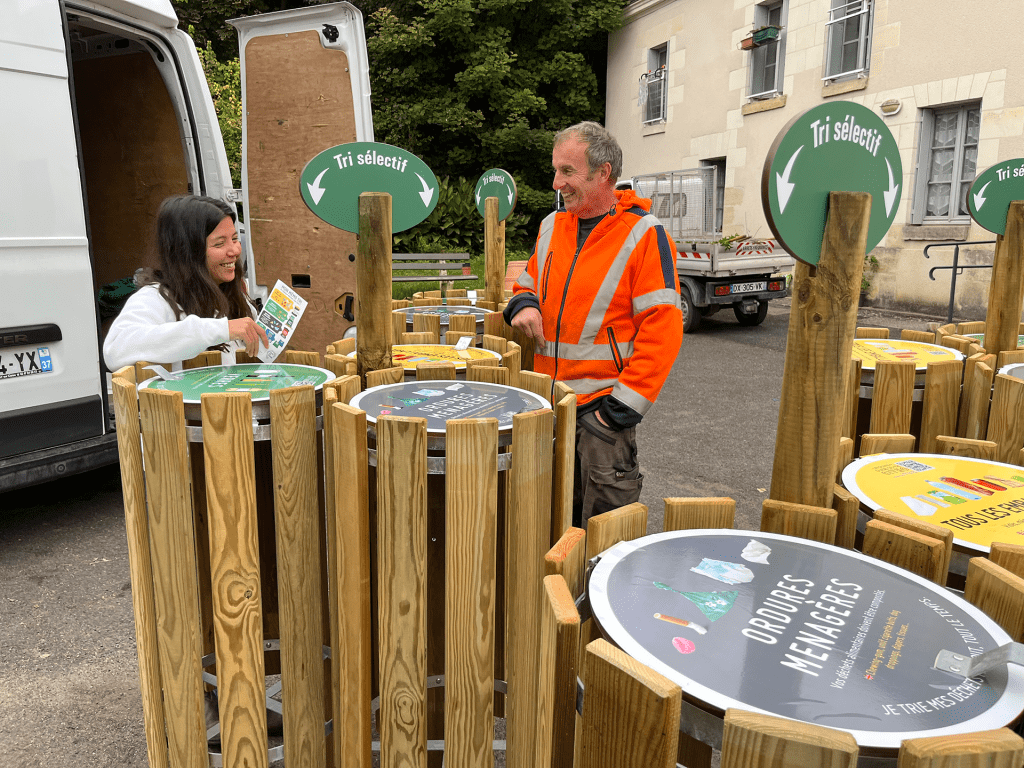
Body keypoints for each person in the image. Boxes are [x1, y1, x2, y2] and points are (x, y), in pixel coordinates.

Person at [503, 121, 683, 528]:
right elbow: (526, 282)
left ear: (603, 173)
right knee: (544, 528)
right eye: (556, 170)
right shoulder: (552, 226)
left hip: (600, 416)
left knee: (603, 539)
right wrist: (523, 306)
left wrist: (618, 412)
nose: (556, 183)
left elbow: (663, 330)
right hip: (547, 408)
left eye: (567, 171)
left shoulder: (643, 234)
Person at [103, 195, 268, 371]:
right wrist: (220, 329)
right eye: (220, 244)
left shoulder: (234, 293)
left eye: (235, 239)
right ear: (187, 252)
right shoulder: (155, 298)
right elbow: (115, 351)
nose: (234, 250)